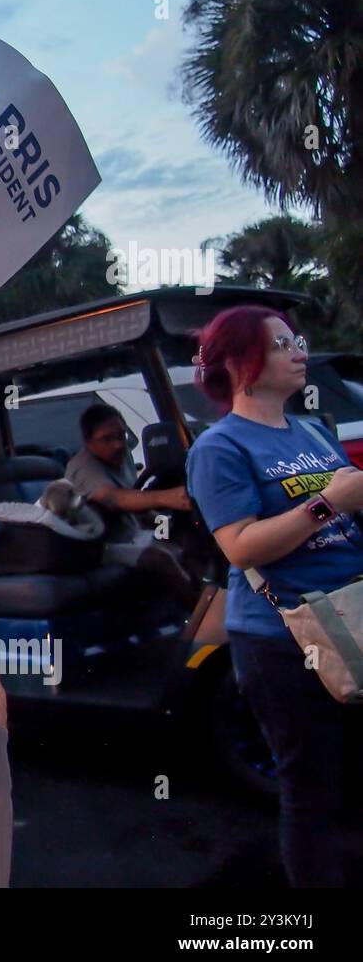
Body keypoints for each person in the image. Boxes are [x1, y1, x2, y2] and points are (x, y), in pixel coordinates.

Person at [185, 305, 363, 888]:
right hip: (284, 636)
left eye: (298, 340)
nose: (299, 351)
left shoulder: (311, 430)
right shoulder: (218, 448)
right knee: (311, 788)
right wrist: (328, 502)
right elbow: (239, 547)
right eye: (283, 344)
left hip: (352, 614)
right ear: (239, 363)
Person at [66, 402, 195, 607]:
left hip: (131, 533)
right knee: (159, 557)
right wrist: (166, 497)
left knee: (187, 543)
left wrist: (166, 523)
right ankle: (201, 616)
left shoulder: (121, 455)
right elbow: (114, 498)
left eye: (121, 435)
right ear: (88, 442)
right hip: (101, 546)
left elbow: (134, 502)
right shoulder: (84, 467)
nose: (117, 444)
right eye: (107, 439)